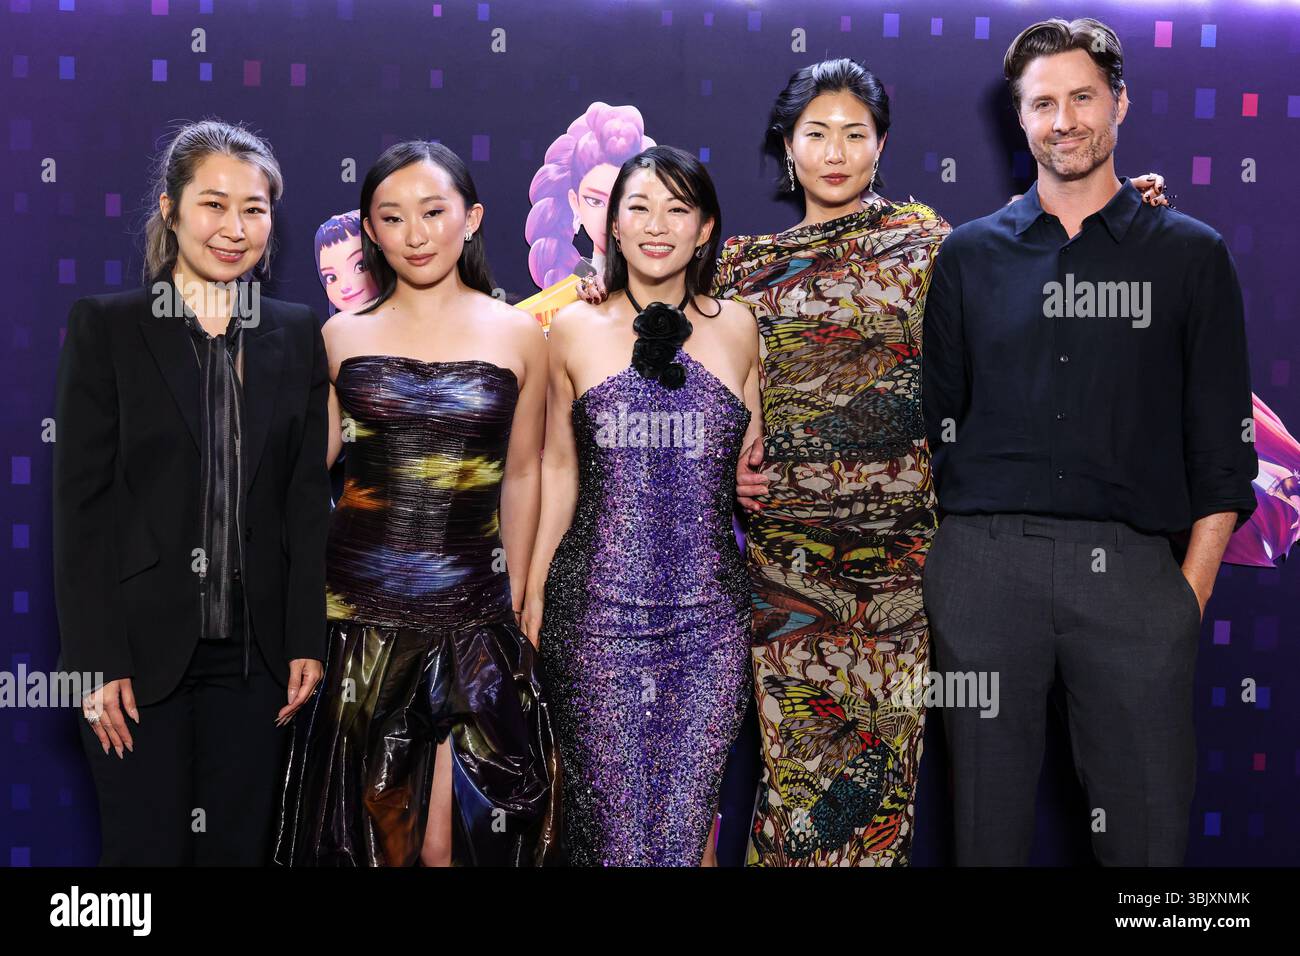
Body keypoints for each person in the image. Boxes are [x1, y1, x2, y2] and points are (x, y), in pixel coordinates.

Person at [921, 18, 1257, 866]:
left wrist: (1185, 599)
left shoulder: (1191, 256)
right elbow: (938, 422)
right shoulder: (968, 257)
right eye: (1042, 103)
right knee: (983, 837)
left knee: (1145, 844)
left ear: (1119, 104)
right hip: (985, 573)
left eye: (1081, 97)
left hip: (1137, 579)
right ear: (1020, 118)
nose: (1063, 119)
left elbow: (1223, 447)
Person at [53, 119, 330, 865]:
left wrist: (306, 637)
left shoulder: (296, 332)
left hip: (257, 659)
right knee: (140, 860)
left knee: (238, 855)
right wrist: (92, 660)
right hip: (137, 657)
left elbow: (306, 501)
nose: (235, 228)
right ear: (171, 210)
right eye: (214, 204)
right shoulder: (108, 328)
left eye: (255, 208)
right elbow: (80, 512)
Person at [275, 141, 559, 867]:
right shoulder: (341, 335)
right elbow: (304, 477)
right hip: (358, 620)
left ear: (472, 217)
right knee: (370, 840)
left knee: (454, 844)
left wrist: (523, 594)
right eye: (392, 218)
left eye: (433, 211)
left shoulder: (521, 335)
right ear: (370, 231)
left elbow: (525, 474)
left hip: (475, 617)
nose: (416, 233)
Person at [523, 145, 762, 866]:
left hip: (711, 629)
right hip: (594, 621)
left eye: (678, 208)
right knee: (617, 837)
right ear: (613, 229)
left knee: (684, 838)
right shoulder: (570, 329)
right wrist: (533, 588)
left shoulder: (742, 326)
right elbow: (556, 467)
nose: (658, 225)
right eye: (639, 207)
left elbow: (752, 466)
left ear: (705, 227)